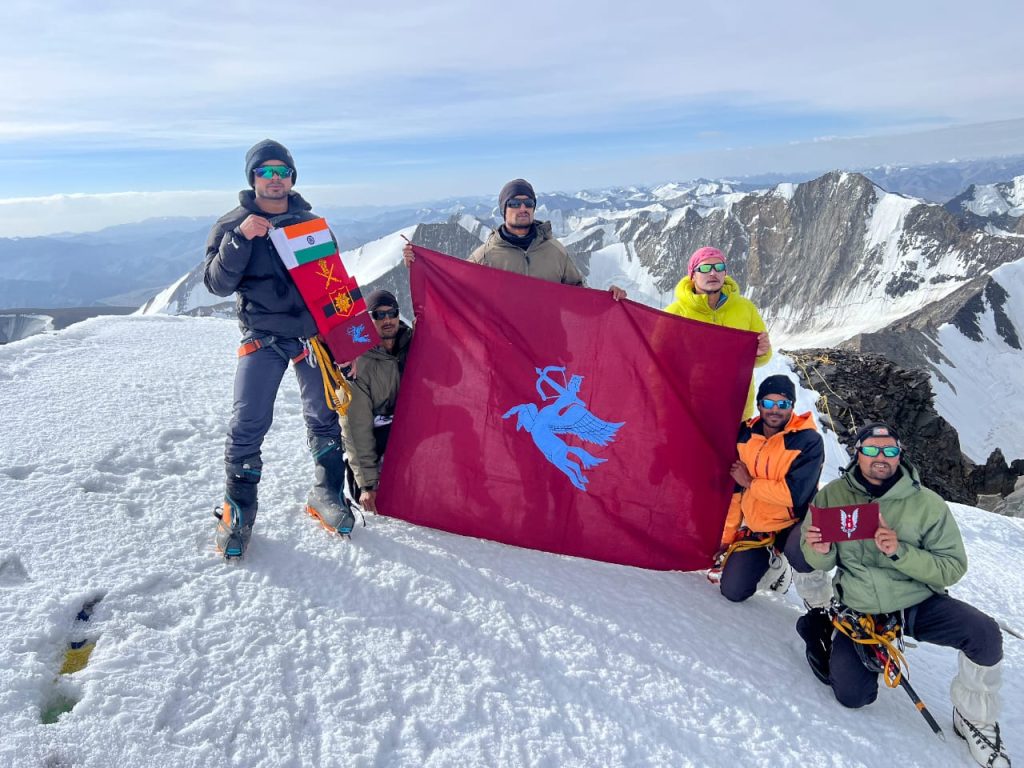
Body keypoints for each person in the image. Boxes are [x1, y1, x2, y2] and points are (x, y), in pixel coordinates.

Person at [801, 423, 1009, 768]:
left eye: (889, 450)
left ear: (900, 455)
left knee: (983, 634)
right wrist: (819, 549)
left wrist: (900, 552)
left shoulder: (926, 504)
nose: (880, 457)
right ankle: (830, 632)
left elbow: (952, 567)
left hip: (916, 602)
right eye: (871, 450)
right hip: (862, 607)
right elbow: (820, 560)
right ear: (857, 453)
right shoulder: (833, 496)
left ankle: (974, 718)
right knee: (853, 696)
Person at [203, 139, 354, 559]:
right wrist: (240, 239)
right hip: (262, 336)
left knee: (324, 416)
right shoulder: (232, 224)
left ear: (292, 176)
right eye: (265, 171)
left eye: (281, 171)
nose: (274, 179)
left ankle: (327, 495)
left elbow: (332, 285)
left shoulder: (311, 223)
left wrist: (345, 340)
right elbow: (216, 284)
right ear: (252, 178)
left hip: (310, 338)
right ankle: (239, 512)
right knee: (248, 422)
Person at [715, 375, 830, 614]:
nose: (775, 410)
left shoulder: (808, 440)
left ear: (792, 406)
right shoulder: (745, 435)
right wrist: (726, 538)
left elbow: (793, 495)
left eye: (783, 404)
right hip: (758, 525)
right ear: (758, 405)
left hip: (795, 522)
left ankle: (822, 605)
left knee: (802, 551)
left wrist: (750, 482)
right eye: (768, 403)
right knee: (733, 591)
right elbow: (735, 492)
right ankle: (776, 568)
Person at [403, 178, 626, 299]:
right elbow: (453, 292)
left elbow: (580, 294)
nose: (522, 208)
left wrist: (608, 299)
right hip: (506, 353)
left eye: (528, 203)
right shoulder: (486, 256)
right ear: (503, 209)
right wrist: (419, 265)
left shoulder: (555, 251)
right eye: (514, 203)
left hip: (552, 345)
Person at [663, 247, 771, 419]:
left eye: (719, 267)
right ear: (693, 275)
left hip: (737, 412)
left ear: (725, 272)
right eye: (705, 268)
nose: (713, 273)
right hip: (692, 414)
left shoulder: (745, 308)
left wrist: (760, 353)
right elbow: (655, 361)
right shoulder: (675, 314)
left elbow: (763, 356)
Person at [339, 289, 414, 513]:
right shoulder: (357, 364)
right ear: (367, 320)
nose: (387, 319)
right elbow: (355, 427)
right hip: (379, 440)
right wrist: (367, 484)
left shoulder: (416, 345)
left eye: (392, 313)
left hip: (413, 433)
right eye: (378, 315)